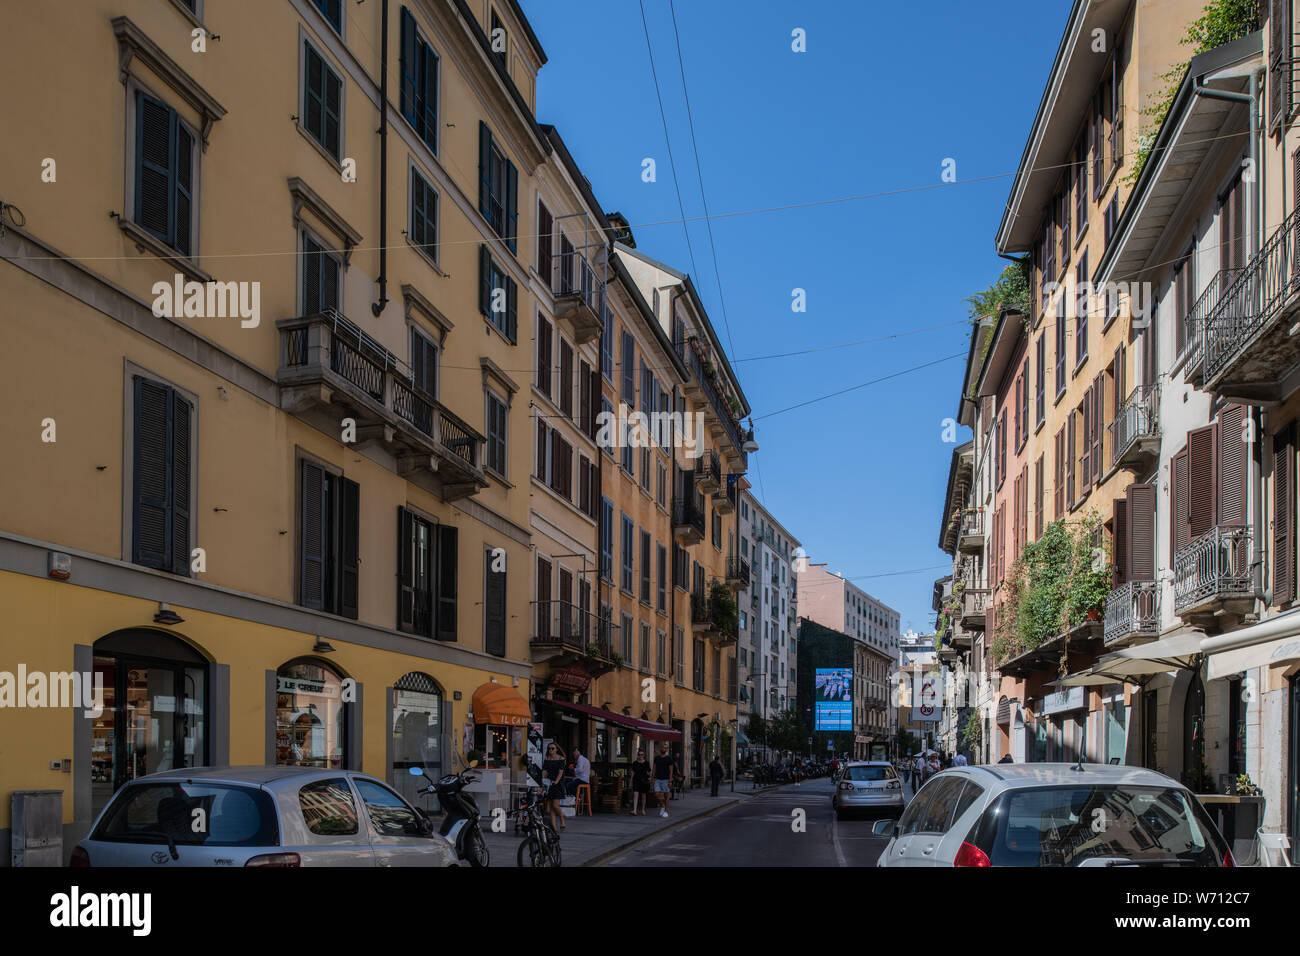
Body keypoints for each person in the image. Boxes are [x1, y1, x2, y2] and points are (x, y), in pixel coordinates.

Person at [541, 743, 567, 832]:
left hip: (557, 784)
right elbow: (544, 772)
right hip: (549, 784)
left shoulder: (561, 759)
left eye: (552, 748)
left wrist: (556, 781)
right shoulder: (547, 759)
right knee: (551, 807)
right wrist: (542, 782)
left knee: (555, 805)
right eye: (549, 749)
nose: (551, 750)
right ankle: (554, 828)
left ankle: (562, 820)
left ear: (556, 749)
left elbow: (560, 772)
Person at [652, 744, 674, 817]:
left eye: (665, 748)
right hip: (657, 779)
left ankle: (666, 811)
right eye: (662, 747)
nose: (663, 749)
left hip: (666, 779)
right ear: (660, 749)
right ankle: (662, 805)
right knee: (656, 794)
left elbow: (671, 771)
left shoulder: (669, 759)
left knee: (666, 796)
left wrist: (670, 781)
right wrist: (652, 779)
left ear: (666, 749)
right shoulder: (657, 758)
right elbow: (654, 769)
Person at [629, 749, 651, 815]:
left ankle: (643, 809)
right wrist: (630, 782)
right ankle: (635, 810)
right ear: (637, 755)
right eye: (639, 754)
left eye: (642, 754)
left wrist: (649, 775)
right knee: (635, 794)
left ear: (644, 755)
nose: (640, 756)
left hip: (644, 781)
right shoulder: (635, 763)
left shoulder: (647, 763)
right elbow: (633, 773)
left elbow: (649, 772)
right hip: (636, 780)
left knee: (643, 796)